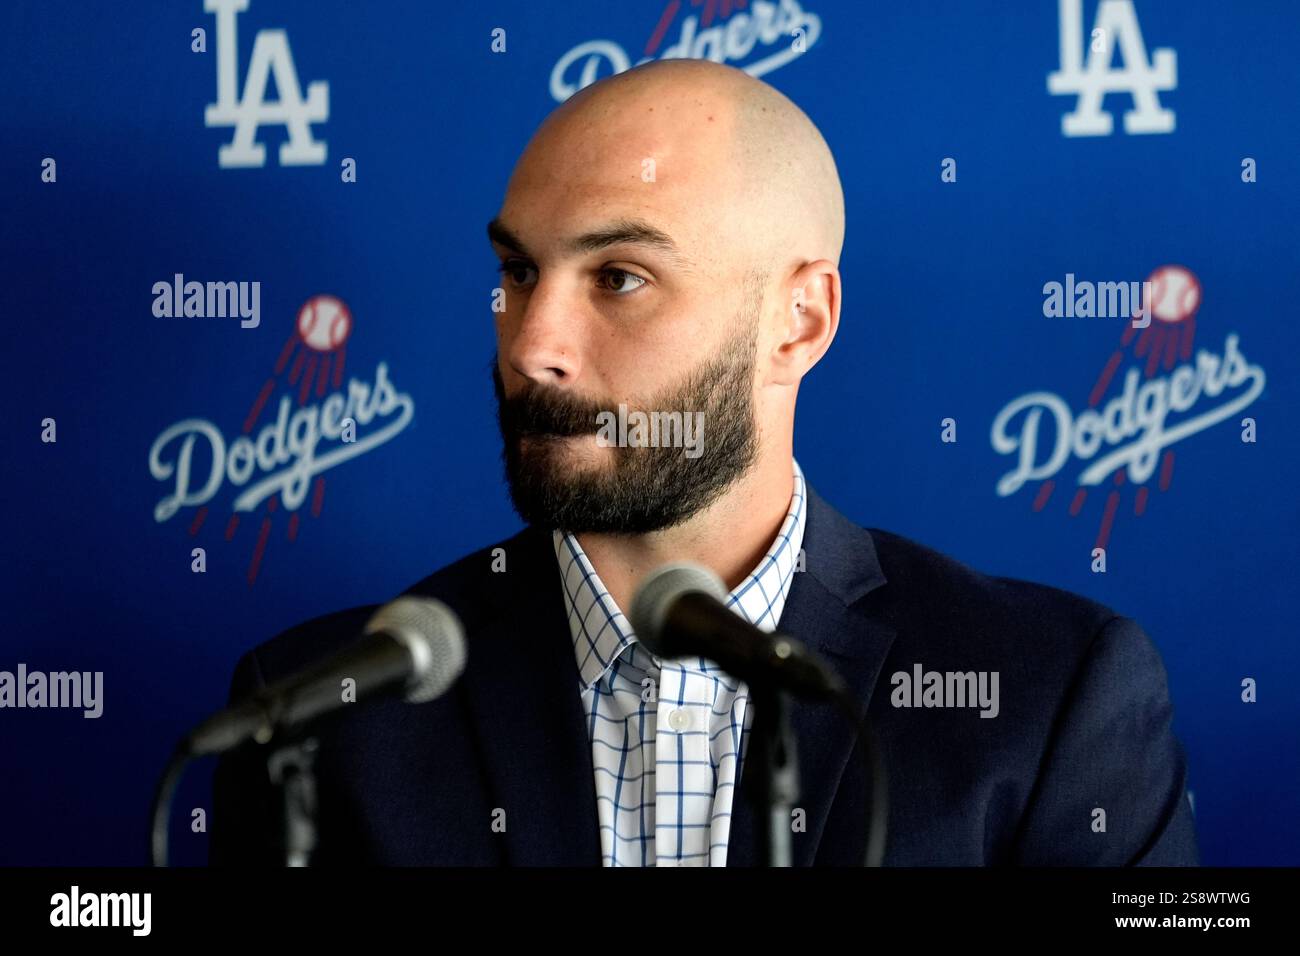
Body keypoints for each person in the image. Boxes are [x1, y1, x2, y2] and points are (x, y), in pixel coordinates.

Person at [210, 59, 1198, 866]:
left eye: (620, 276)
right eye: (518, 272)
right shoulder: (322, 710)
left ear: (796, 320)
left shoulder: (1049, 694)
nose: (530, 344)